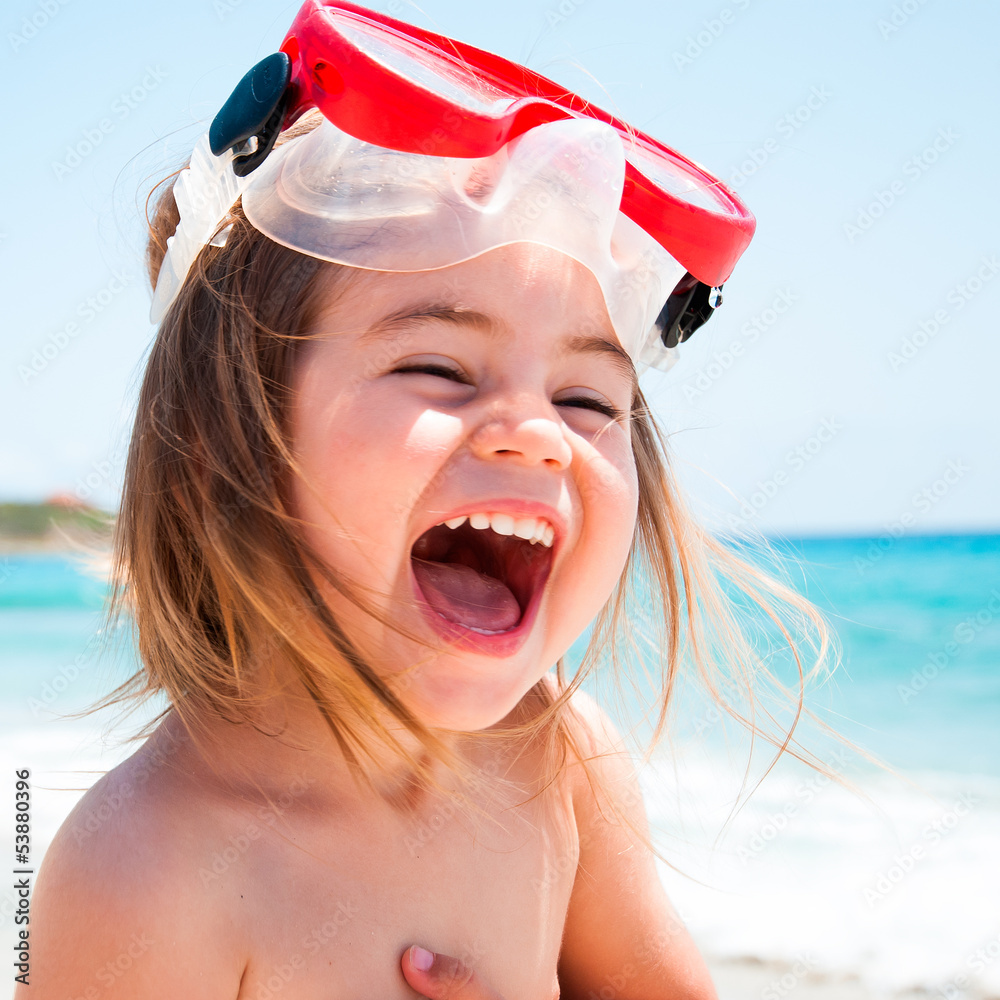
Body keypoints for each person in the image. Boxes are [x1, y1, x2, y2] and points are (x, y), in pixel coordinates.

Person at [19, 3, 834, 998]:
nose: (535, 430)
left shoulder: (559, 766)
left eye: (586, 397)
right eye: (439, 367)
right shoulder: (149, 870)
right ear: (227, 440)